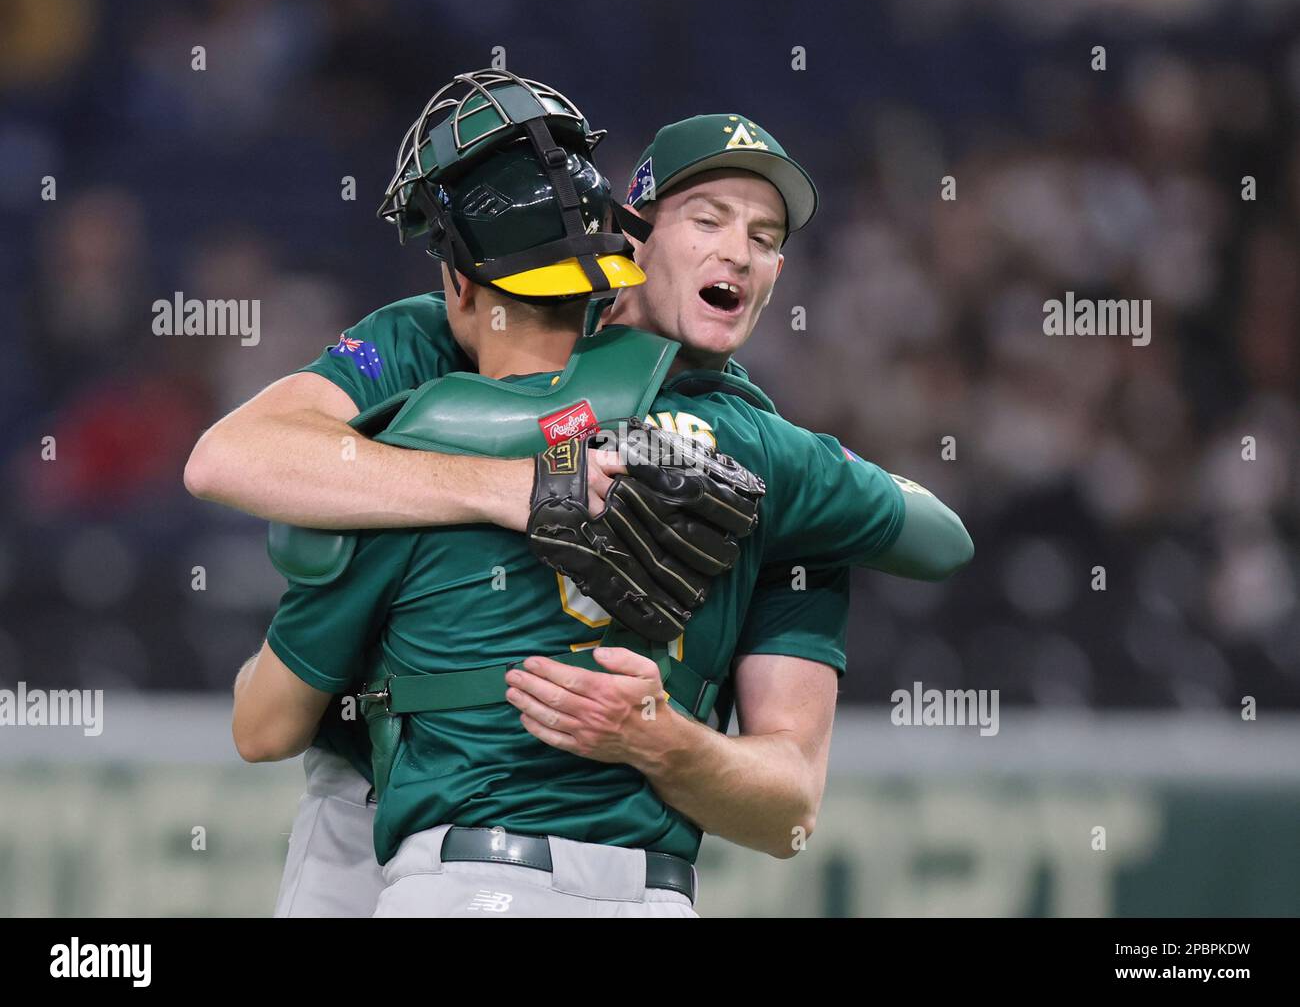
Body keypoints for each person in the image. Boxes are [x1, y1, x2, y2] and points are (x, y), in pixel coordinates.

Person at [191, 71, 972, 915]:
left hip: (515, 858)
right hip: (368, 805)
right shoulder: (438, 340)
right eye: (706, 220)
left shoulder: (757, 460)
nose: (737, 252)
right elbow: (225, 458)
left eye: (765, 235)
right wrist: (513, 485)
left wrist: (663, 740)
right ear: (627, 239)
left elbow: (790, 814)